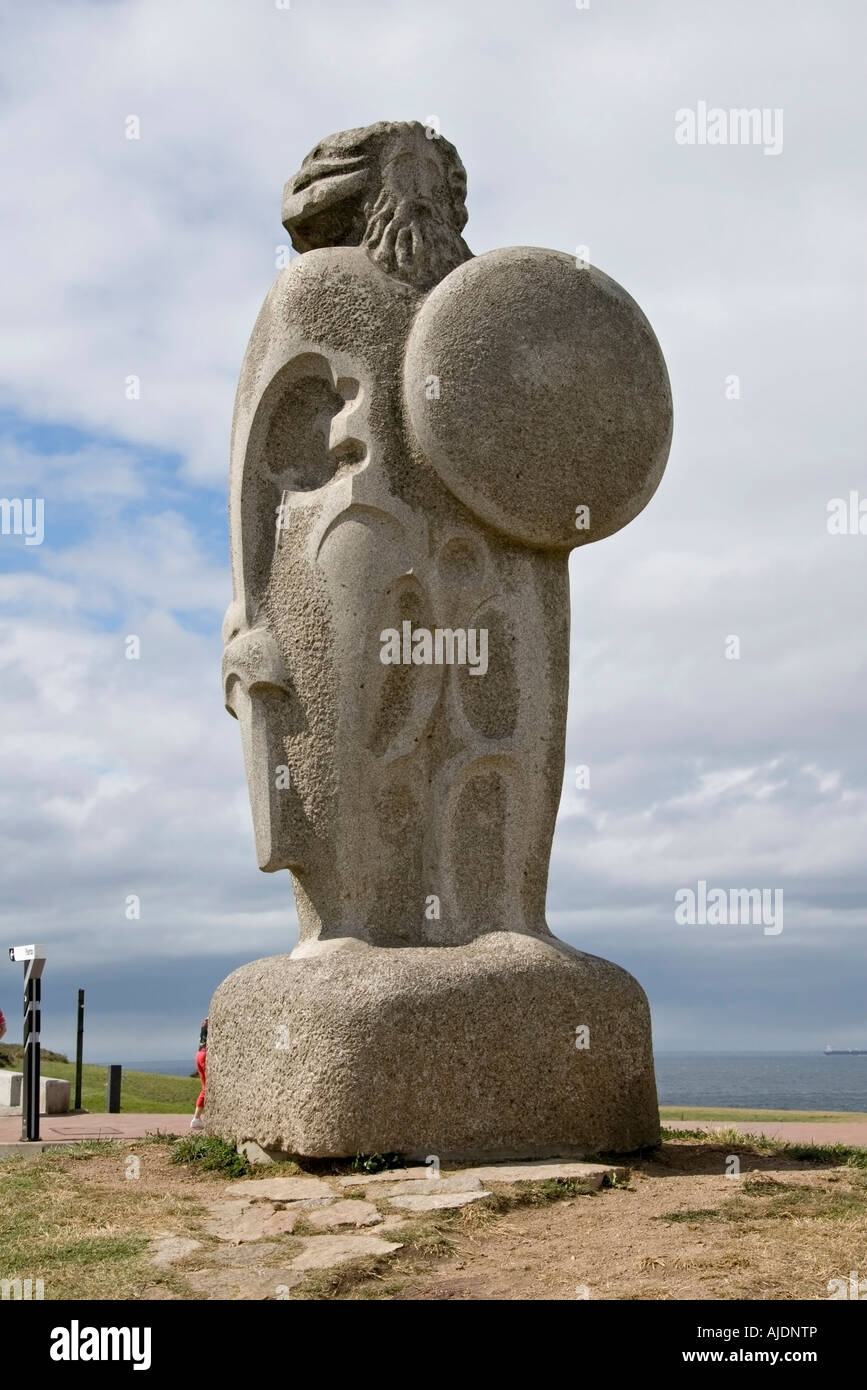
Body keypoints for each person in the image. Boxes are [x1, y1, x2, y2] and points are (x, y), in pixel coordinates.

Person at [190, 1018, 207, 1131]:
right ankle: (196, 1118)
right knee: (208, 1088)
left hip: (199, 1053)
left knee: (205, 1088)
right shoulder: (211, 1020)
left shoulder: (205, 1021)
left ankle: (196, 1118)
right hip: (205, 1054)